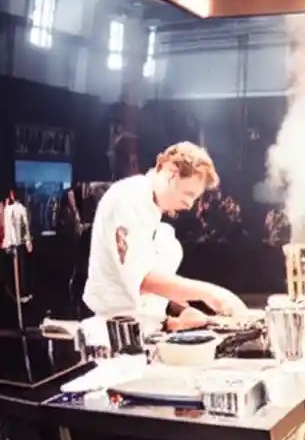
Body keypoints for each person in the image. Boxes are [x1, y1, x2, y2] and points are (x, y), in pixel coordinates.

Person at [83, 142, 246, 332]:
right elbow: (140, 279)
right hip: (113, 333)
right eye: (189, 194)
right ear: (171, 174)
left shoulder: (157, 221)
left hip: (147, 329)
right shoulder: (128, 198)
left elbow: (152, 288)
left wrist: (182, 311)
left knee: (170, 243)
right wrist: (212, 294)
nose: (189, 205)